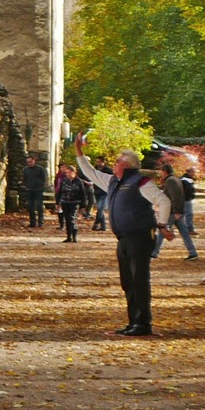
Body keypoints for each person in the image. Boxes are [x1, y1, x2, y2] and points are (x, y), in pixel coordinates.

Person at [76, 134, 173, 336]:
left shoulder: (141, 182)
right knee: (127, 281)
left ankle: (143, 323)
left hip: (140, 236)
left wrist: (163, 224)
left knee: (139, 279)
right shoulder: (113, 182)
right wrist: (79, 151)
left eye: (118, 161)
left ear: (127, 165)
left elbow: (163, 201)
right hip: (124, 238)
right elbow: (90, 173)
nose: (114, 163)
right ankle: (133, 322)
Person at [153, 164, 198, 260]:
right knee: (184, 232)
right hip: (176, 211)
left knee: (162, 230)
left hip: (172, 211)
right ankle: (193, 252)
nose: (161, 174)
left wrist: (176, 211)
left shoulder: (170, 181)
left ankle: (154, 252)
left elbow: (174, 197)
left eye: (161, 171)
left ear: (165, 171)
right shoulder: (176, 179)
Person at [56, 165, 85, 243]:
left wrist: (83, 206)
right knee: (67, 219)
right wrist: (57, 202)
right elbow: (59, 192)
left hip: (75, 202)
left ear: (74, 172)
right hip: (65, 202)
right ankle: (69, 236)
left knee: (72, 218)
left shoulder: (79, 181)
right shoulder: (64, 180)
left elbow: (83, 194)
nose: (68, 174)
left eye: (69, 172)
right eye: (66, 172)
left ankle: (74, 236)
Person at [23, 155, 47, 228]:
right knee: (30, 207)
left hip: (38, 190)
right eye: (28, 162)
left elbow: (44, 179)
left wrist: (41, 186)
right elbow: (25, 178)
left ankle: (41, 222)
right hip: (30, 190)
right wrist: (27, 186)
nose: (29, 163)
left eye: (30, 161)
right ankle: (32, 222)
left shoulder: (40, 169)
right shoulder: (25, 169)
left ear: (34, 161)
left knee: (39, 206)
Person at [91, 155, 112, 230]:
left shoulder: (109, 171)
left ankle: (96, 223)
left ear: (103, 162)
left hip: (105, 192)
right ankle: (103, 226)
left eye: (99, 162)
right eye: (97, 162)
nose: (98, 163)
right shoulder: (95, 169)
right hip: (97, 191)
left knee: (100, 208)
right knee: (100, 208)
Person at [179, 167, 199, 235]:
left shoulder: (185, 179)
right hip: (186, 199)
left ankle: (185, 229)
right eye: (193, 172)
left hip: (186, 199)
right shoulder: (185, 180)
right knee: (189, 214)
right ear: (189, 172)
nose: (194, 173)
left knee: (184, 215)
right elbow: (187, 191)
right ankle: (190, 229)